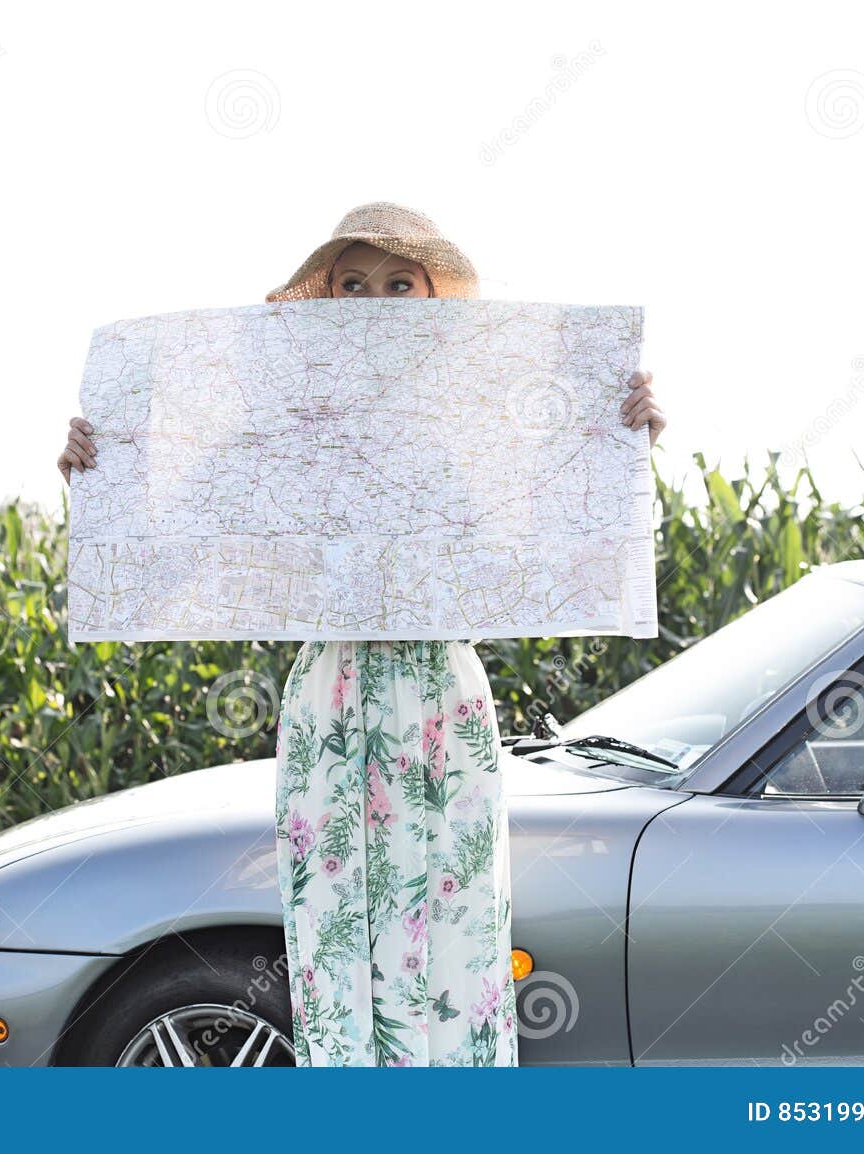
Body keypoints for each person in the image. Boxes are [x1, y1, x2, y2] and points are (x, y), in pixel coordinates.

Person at [58, 203, 665, 1065]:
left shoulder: (479, 425)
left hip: (441, 700)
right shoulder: (280, 436)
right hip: (332, 699)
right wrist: (106, 468)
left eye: (396, 283)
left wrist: (622, 437)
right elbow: (171, 557)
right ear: (325, 301)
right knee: (336, 931)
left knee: (455, 935)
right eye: (352, 282)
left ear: (428, 304)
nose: (373, 299)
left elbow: (568, 547)